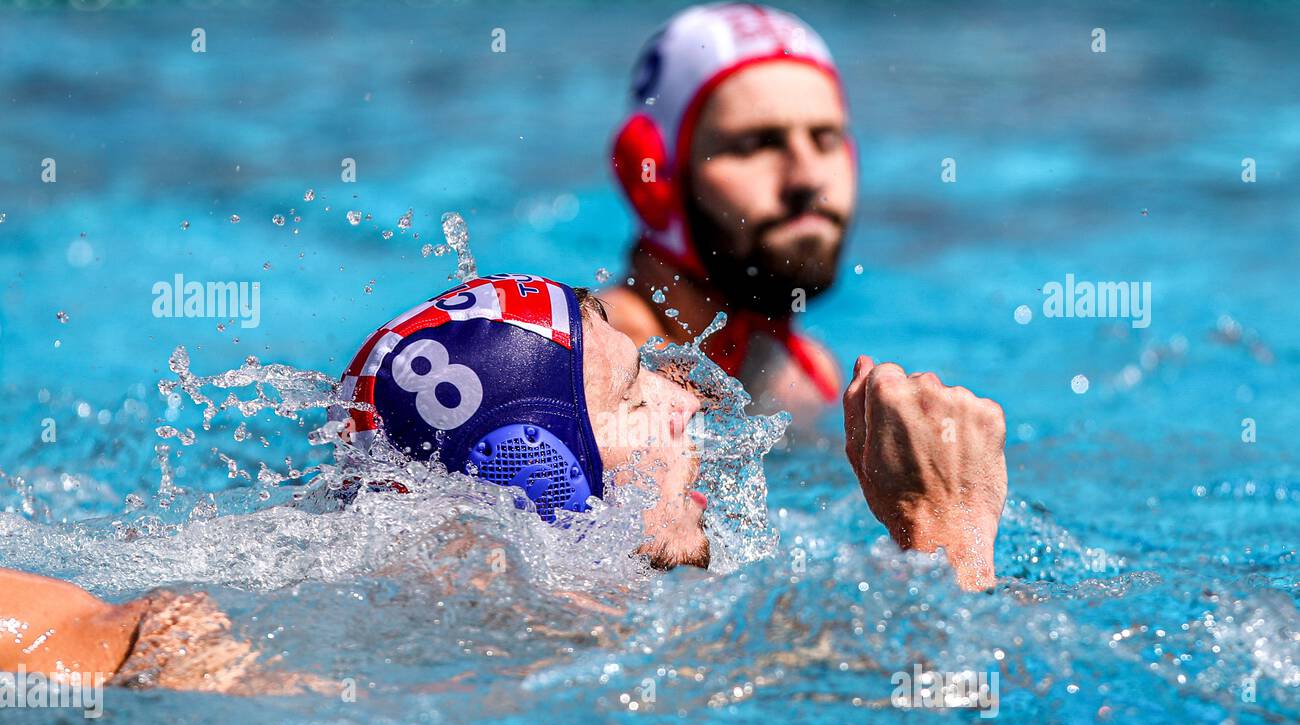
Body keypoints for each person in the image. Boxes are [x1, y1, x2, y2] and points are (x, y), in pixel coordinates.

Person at [0, 272, 1006, 689]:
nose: (689, 404)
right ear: (532, 477)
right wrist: (948, 536)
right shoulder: (212, 646)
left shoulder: (611, 638)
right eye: (628, 393)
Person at [606, 3, 984, 431]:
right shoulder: (587, 378)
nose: (807, 178)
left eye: (825, 139)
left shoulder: (812, 378)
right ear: (652, 176)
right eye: (755, 144)